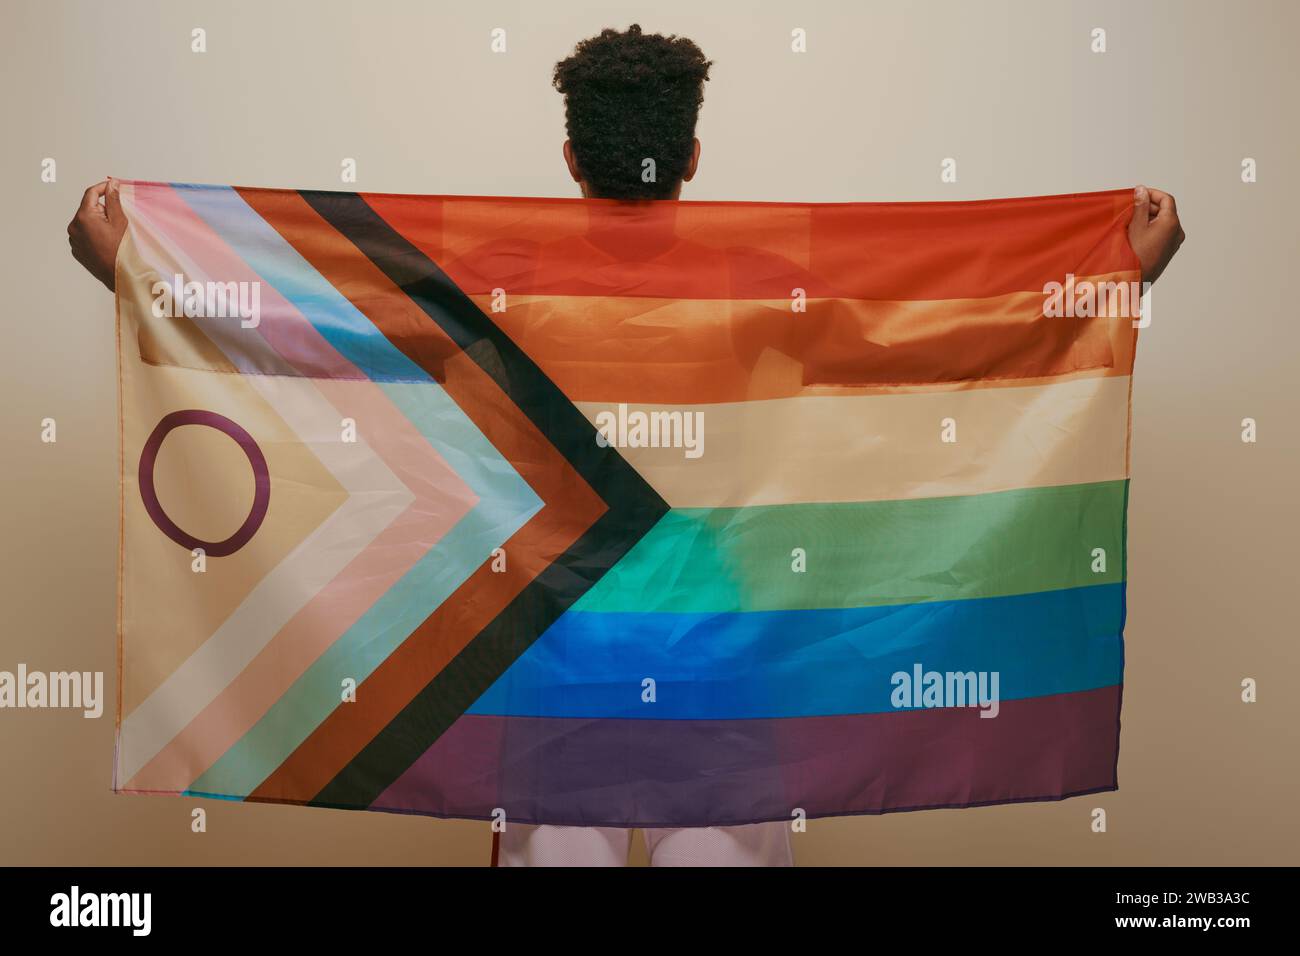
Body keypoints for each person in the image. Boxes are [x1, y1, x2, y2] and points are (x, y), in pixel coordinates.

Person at [67, 23, 1184, 867]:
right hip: (731, 675)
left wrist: (130, 265)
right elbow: (945, 352)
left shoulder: (489, 282)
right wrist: (1122, 273)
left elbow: (329, 352)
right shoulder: (768, 283)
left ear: (569, 153)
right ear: (691, 154)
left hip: (548, 665)